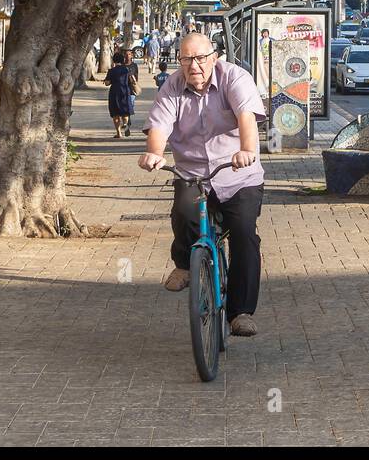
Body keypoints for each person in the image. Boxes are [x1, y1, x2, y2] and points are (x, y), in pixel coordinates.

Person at [139, 32, 266, 337]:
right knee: (183, 211)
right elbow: (159, 124)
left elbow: (246, 117)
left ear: (213, 57)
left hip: (238, 175)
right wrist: (154, 153)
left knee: (244, 235)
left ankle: (241, 312)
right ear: (179, 61)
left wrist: (247, 150)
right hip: (192, 174)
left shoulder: (234, 78)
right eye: (186, 59)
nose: (193, 65)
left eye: (199, 58)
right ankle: (184, 264)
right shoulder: (172, 86)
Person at [106, 51, 137, 138]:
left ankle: (119, 133)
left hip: (114, 92)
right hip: (125, 91)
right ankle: (126, 123)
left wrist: (110, 80)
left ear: (114, 61)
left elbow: (107, 83)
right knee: (125, 110)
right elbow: (133, 80)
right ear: (122, 60)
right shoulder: (127, 69)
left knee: (115, 113)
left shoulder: (111, 71)